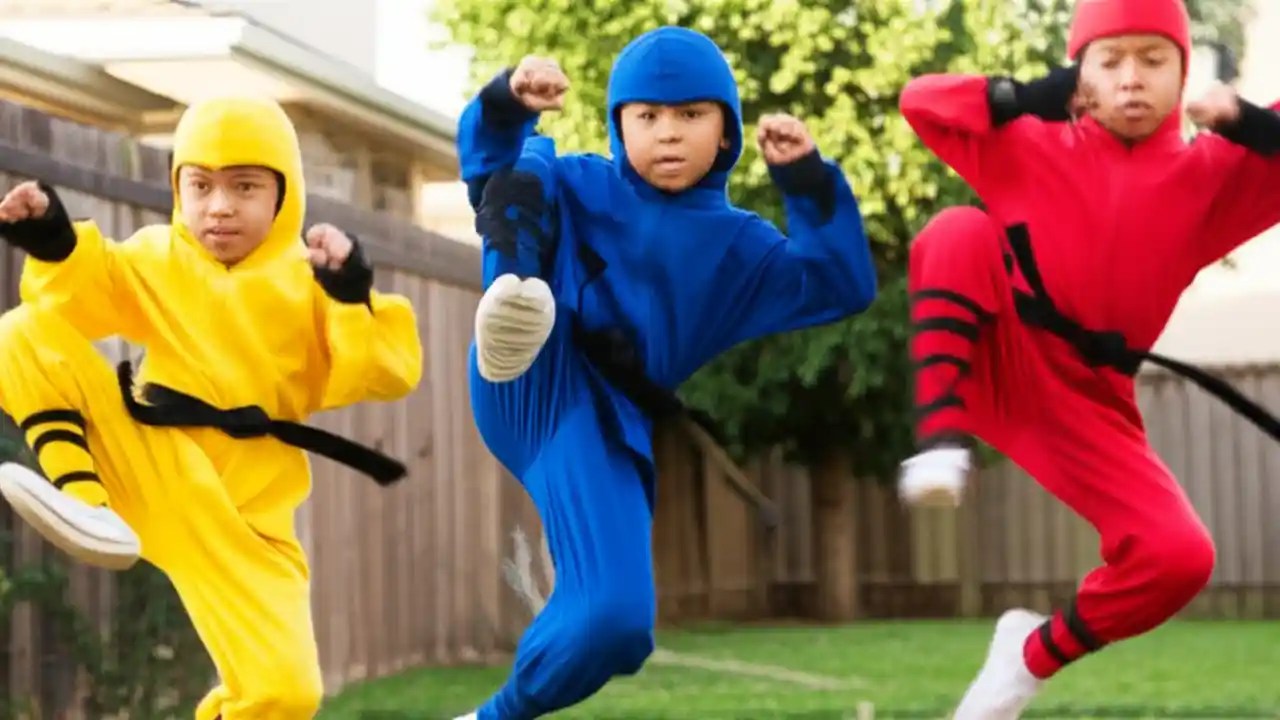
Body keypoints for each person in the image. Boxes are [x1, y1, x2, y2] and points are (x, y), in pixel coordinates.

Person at [453, 25, 877, 720]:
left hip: (598, 425)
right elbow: (486, 168)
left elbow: (839, 284)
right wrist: (506, 101)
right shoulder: (581, 182)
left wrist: (804, 180)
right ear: (620, 123)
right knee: (528, 164)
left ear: (727, 131)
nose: (668, 134)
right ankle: (513, 297)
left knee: (618, 624)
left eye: (689, 115)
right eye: (646, 116)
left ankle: (493, 717)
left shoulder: (740, 247)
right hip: (530, 366)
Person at [894, 0, 1280, 717]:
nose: (1132, 79)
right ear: (1081, 71)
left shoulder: (1215, 174)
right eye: (1111, 60)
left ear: (1184, 70)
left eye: (1154, 60)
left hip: (1088, 400)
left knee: (1179, 558)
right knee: (956, 230)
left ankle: (1025, 658)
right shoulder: (1025, 138)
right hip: (1000, 347)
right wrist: (1024, 96)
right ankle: (940, 437)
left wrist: (1250, 122)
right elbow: (920, 102)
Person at [0, 96, 423, 718]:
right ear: (178, 188)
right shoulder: (156, 258)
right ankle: (85, 503)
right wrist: (52, 237)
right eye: (200, 185)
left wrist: (349, 291)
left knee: (286, 693)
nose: (219, 206)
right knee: (19, 332)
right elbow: (79, 296)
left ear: (283, 194)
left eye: (244, 186)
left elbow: (383, 372)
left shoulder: (308, 282)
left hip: (249, 523)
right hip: (153, 468)